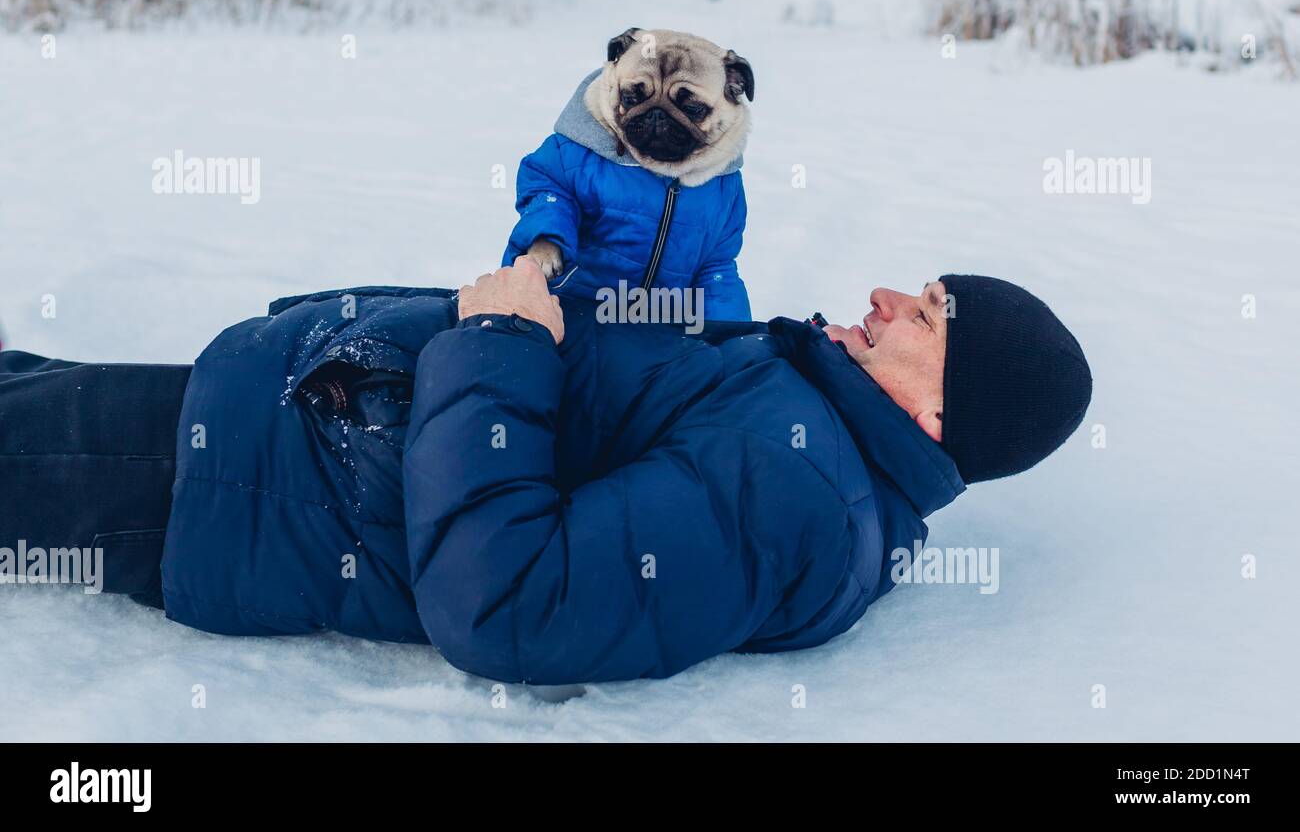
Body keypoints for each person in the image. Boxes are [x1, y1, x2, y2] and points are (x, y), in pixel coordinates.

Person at [0, 260, 1091, 684]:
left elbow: (513, 600)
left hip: (251, 490)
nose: (890, 296)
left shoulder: (796, 492)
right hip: (273, 426)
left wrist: (501, 338)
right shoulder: (813, 414)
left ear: (937, 412)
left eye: (926, 315)